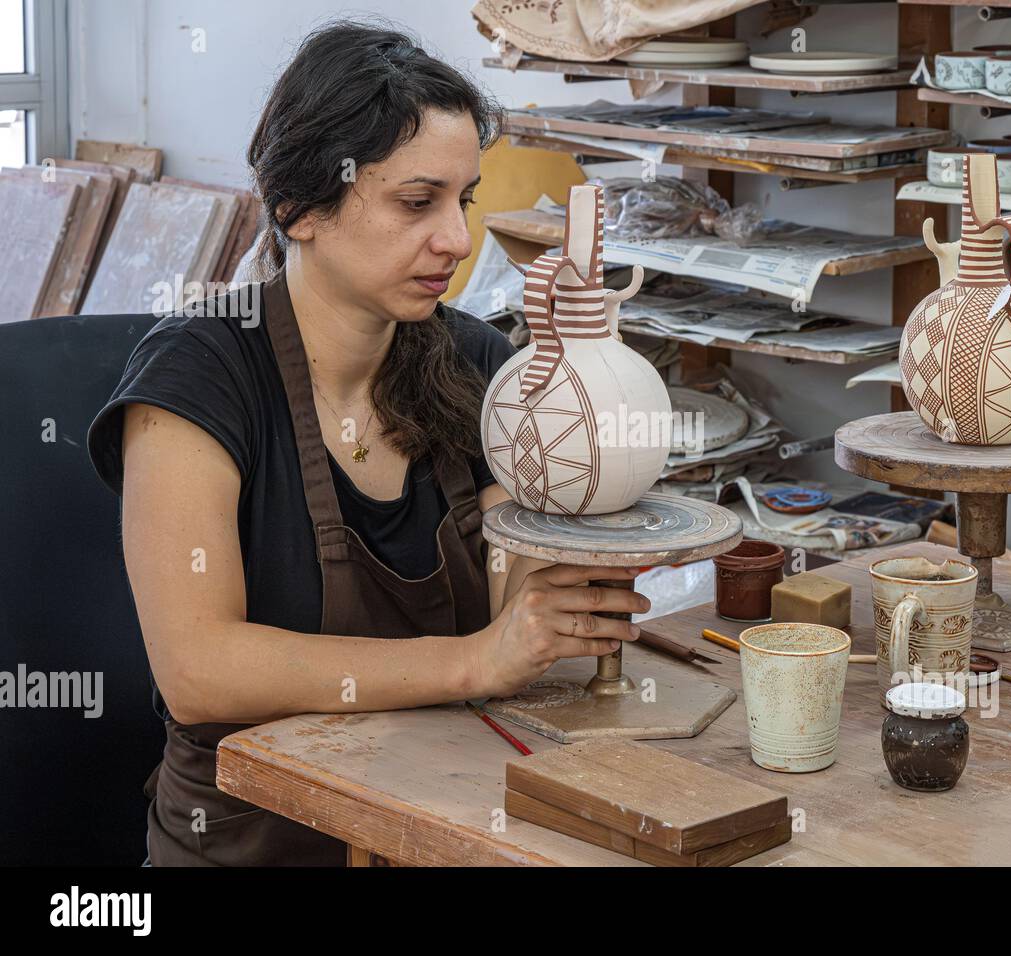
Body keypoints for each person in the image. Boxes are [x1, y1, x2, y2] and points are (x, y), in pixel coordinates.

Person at [87, 20, 646, 866]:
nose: (458, 240)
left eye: (464, 199)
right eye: (417, 203)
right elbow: (198, 668)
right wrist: (473, 663)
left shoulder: (473, 359)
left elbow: (517, 601)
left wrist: (579, 494)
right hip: (255, 838)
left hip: (436, 814)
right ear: (299, 208)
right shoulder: (197, 377)